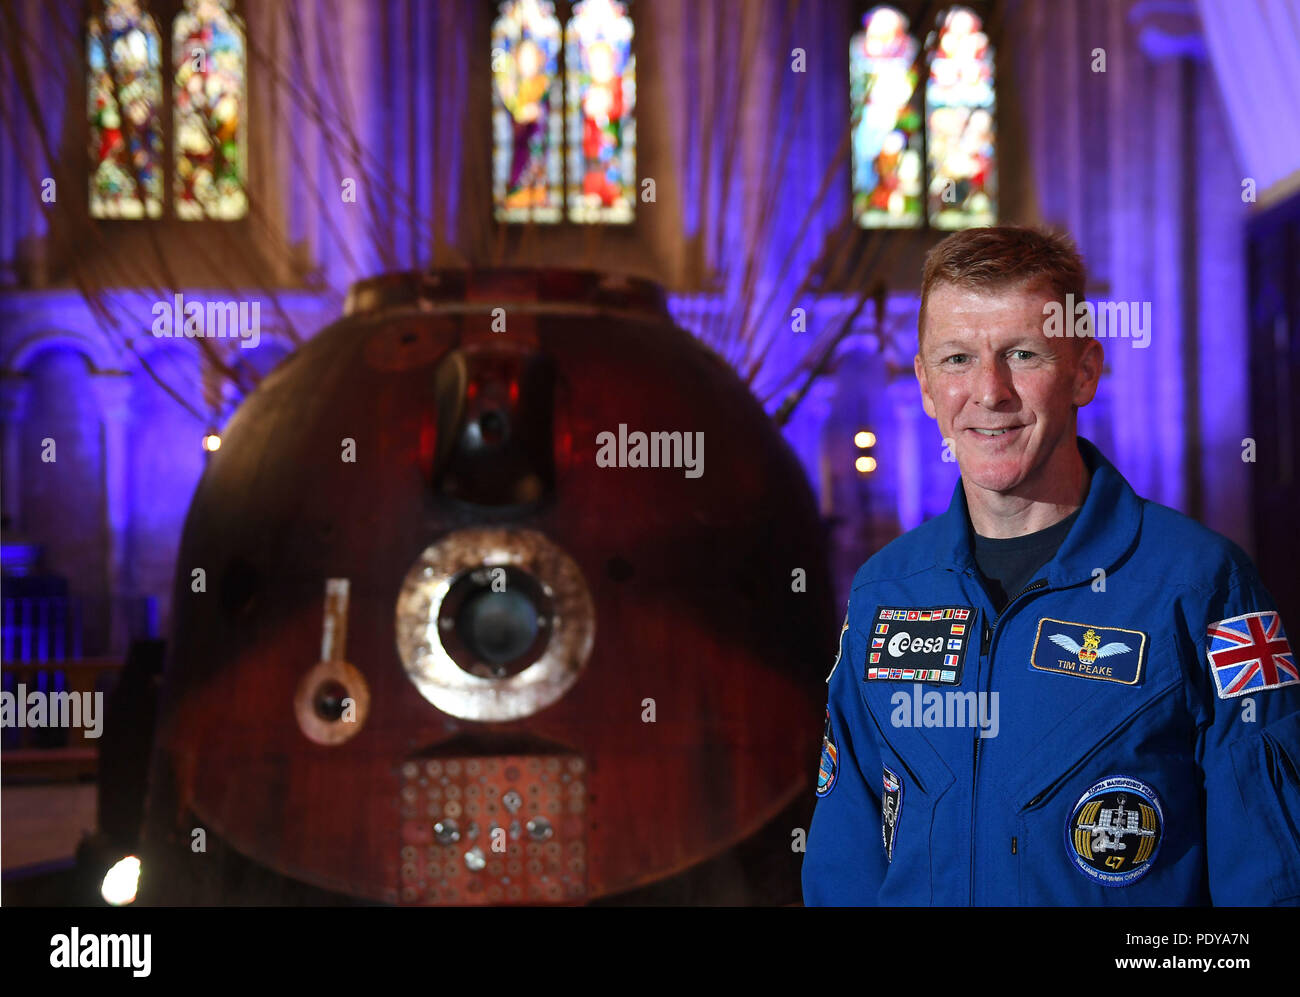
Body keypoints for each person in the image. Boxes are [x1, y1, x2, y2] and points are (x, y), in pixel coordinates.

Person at [803, 225, 1300, 905]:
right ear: (923, 383)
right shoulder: (887, 593)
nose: (990, 391)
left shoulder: (1203, 588)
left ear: (1084, 370)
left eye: (1022, 353)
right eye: (956, 359)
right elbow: (844, 867)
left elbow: (1271, 883)